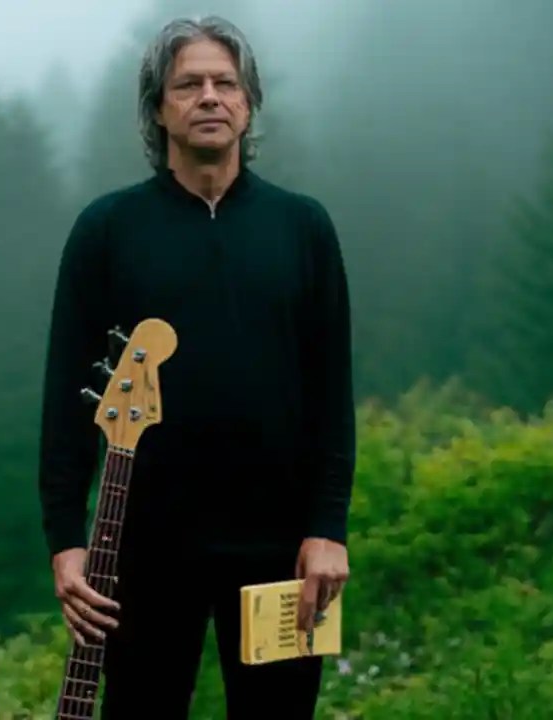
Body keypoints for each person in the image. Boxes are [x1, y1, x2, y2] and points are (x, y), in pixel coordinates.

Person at [36, 14, 355, 720]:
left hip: (282, 553)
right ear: (159, 107)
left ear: (248, 104)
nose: (209, 96)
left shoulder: (304, 227)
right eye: (189, 84)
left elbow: (333, 396)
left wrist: (328, 527)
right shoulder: (107, 230)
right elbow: (66, 398)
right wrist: (66, 539)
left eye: (225, 83)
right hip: (142, 547)